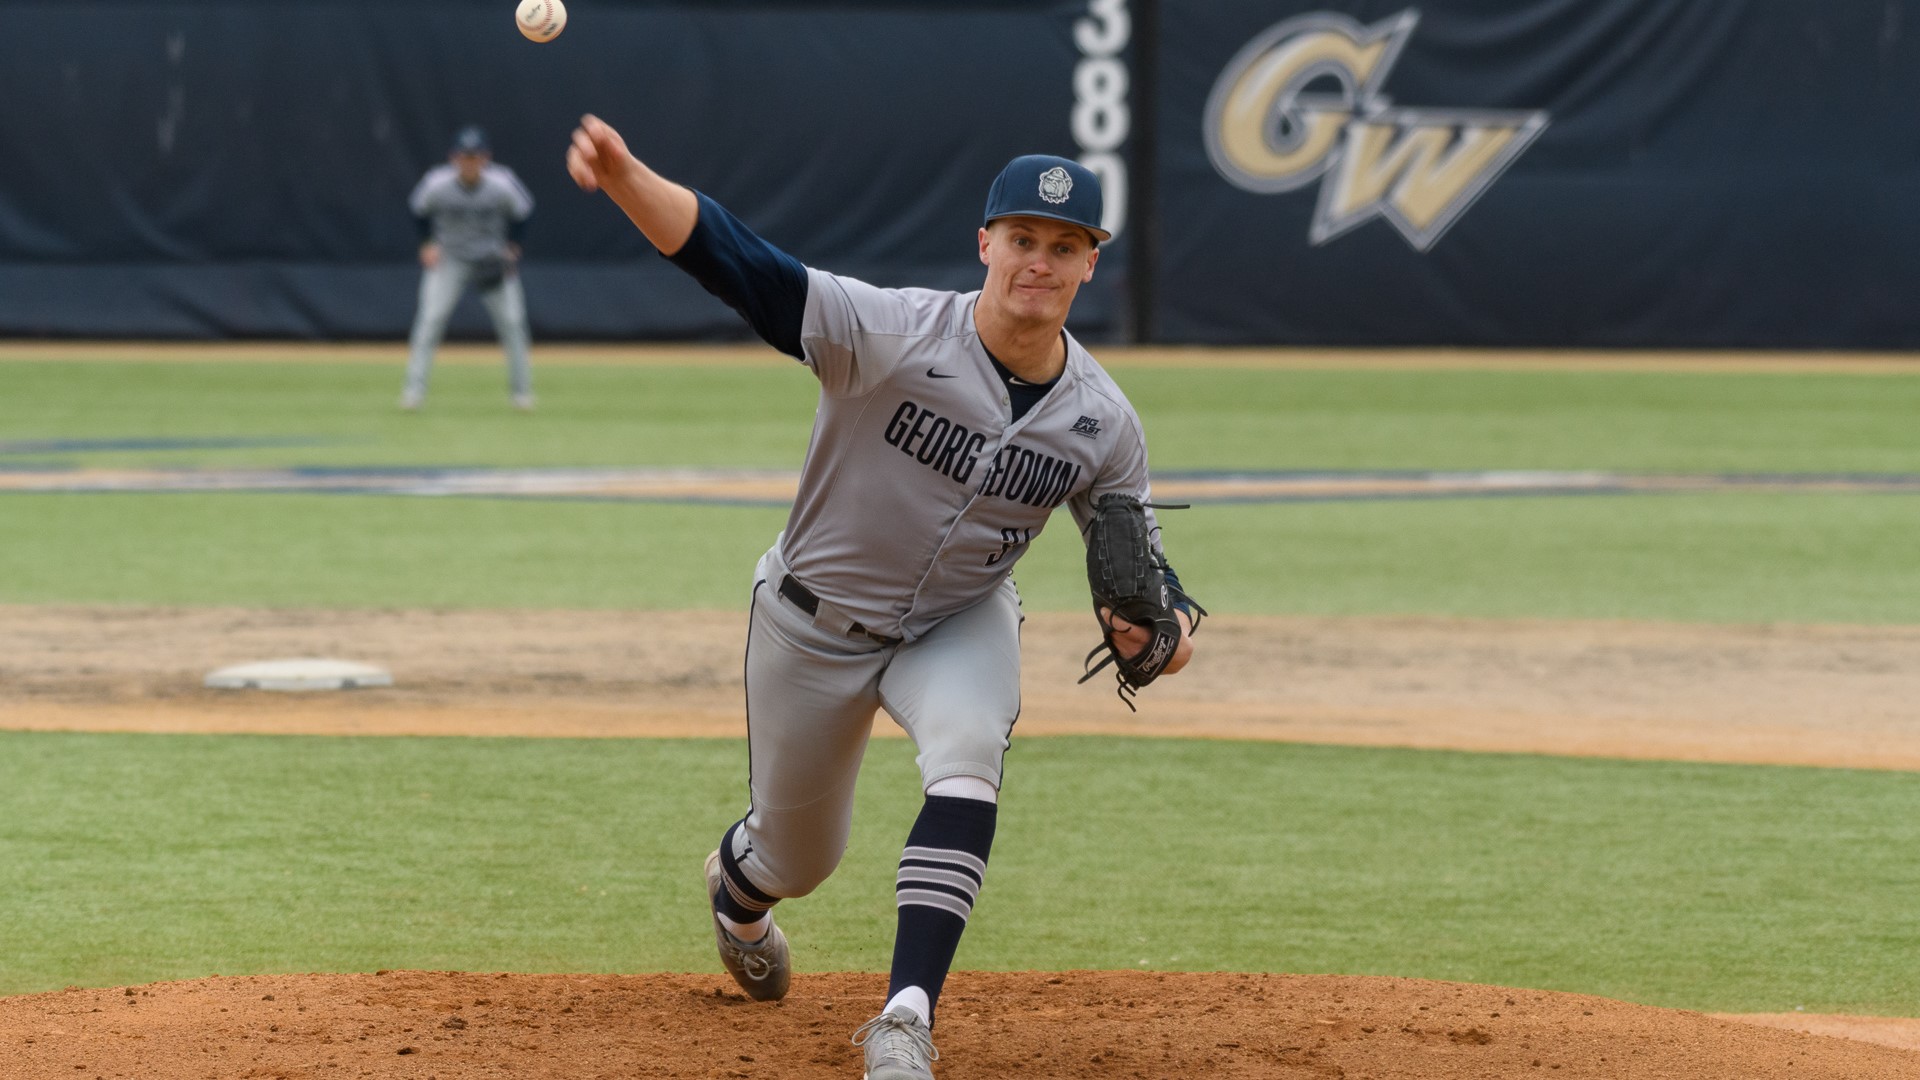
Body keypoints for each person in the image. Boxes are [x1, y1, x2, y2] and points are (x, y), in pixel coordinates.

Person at [564, 114, 1198, 1080]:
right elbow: (739, 261)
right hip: (812, 622)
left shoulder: (1104, 422)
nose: (1040, 262)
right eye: (1023, 239)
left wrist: (1154, 635)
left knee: (968, 760)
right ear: (985, 244)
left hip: (959, 619)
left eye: (1064, 246)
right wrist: (624, 177)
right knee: (797, 857)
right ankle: (739, 895)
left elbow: (1143, 580)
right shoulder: (889, 333)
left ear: (1091, 263)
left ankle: (905, 1019)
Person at [401, 125, 537, 411]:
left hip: (491, 260)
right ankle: (413, 392)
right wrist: (427, 243)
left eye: (475, 157)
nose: (470, 162)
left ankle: (522, 393)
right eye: (465, 156)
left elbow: (523, 212)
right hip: (451, 258)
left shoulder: (502, 183)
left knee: (513, 323)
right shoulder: (437, 183)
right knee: (430, 320)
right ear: (454, 157)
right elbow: (418, 210)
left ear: (486, 158)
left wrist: (513, 247)